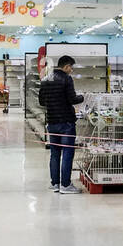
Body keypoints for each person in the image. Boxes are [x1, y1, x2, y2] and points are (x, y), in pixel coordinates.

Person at [38, 55, 84, 193]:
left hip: (52, 122)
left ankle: (55, 183)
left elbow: (41, 102)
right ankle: (65, 185)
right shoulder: (66, 79)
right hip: (66, 123)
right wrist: (83, 96)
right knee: (68, 153)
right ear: (66, 66)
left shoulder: (46, 79)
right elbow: (72, 99)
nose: (72, 71)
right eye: (71, 68)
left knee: (55, 153)